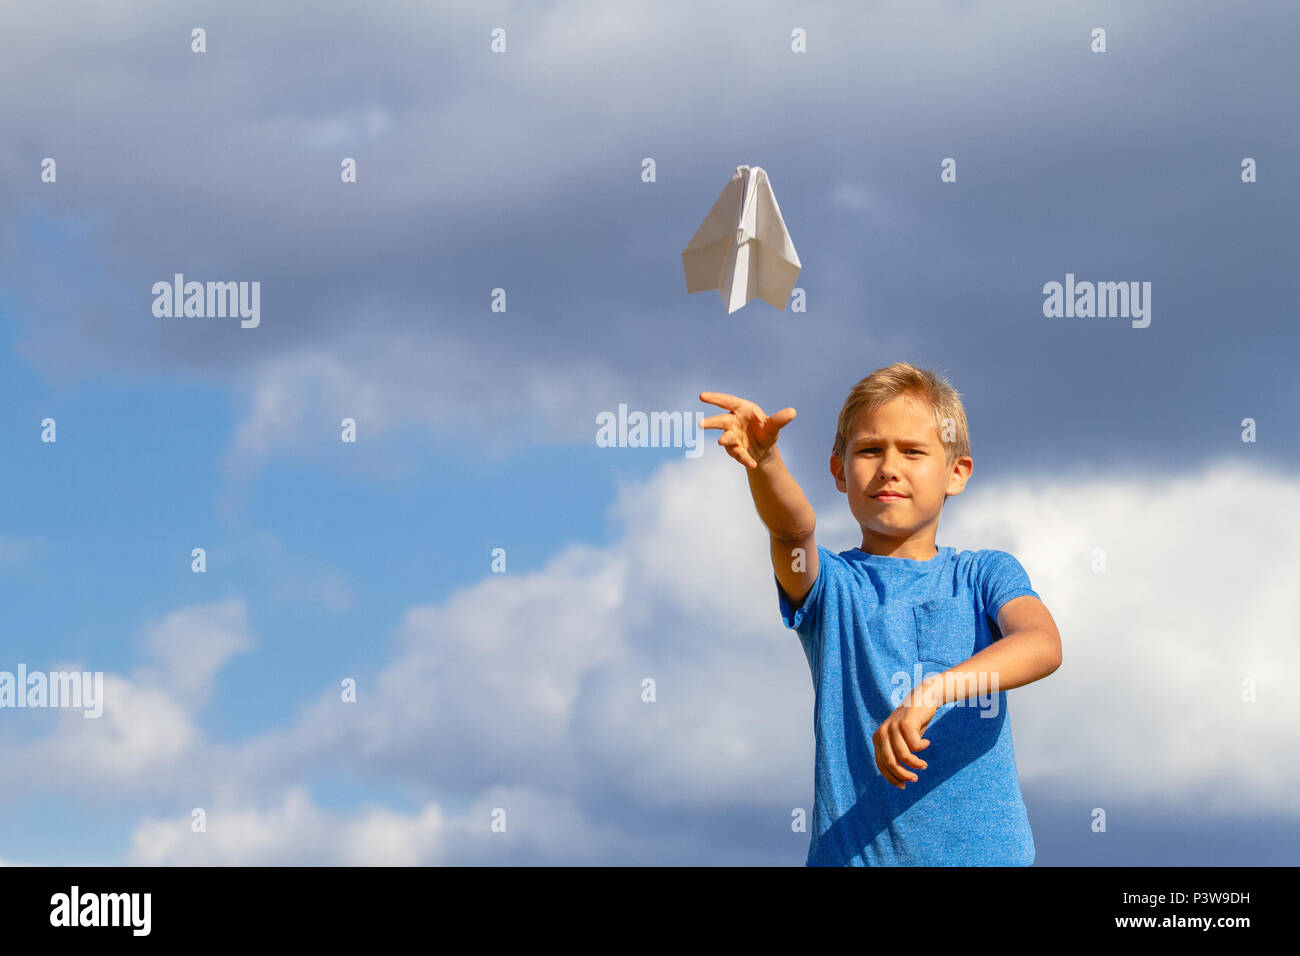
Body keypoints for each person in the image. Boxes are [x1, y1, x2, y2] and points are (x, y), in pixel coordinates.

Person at [699, 362, 1062, 866]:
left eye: (913, 451)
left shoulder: (984, 575)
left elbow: (1043, 644)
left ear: (956, 473)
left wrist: (933, 690)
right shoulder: (830, 586)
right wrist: (766, 463)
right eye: (870, 450)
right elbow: (792, 532)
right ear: (838, 471)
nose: (889, 466)